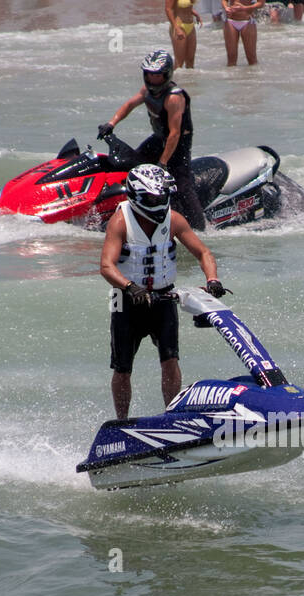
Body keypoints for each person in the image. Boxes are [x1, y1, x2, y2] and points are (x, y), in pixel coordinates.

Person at [99, 164, 224, 420]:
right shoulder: (119, 222)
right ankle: (121, 422)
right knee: (123, 368)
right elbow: (106, 266)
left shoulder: (174, 219)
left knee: (170, 360)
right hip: (125, 300)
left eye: (161, 197)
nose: (159, 202)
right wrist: (130, 287)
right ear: (137, 195)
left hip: (164, 297)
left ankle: (171, 417)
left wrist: (212, 280)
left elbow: (204, 253)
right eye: (153, 198)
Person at [98, 50, 206, 231]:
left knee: (182, 186)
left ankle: (199, 225)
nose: (152, 79)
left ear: (167, 74)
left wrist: (162, 163)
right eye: (149, 74)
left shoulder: (174, 97)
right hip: (158, 139)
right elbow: (129, 105)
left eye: (157, 75)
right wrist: (111, 123)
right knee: (133, 166)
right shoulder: (146, 90)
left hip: (177, 146)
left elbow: (174, 134)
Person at [222, 0, 264, 66]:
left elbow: (261, 3)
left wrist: (245, 8)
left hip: (247, 20)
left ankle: (254, 75)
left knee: (252, 58)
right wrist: (226, 7)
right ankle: (231, 76)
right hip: (231, 20)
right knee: (231, 58)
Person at [168, 0, 201, 69]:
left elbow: (187, 7)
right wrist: (176, 28)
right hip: (179, 26)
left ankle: (190, 80)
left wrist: (196, 14)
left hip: (191, 25)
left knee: (190, 61)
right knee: (179, 63)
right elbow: (168, 9)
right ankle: (174, 79)